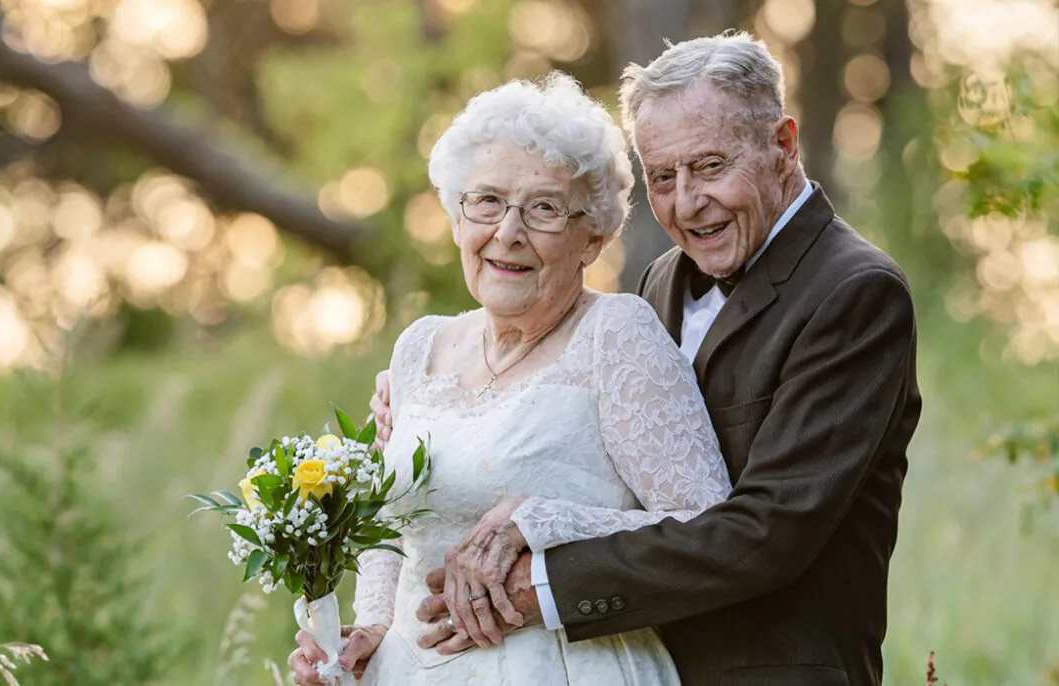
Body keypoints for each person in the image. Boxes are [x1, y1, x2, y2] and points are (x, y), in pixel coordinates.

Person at [374, 32, 922, 686]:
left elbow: (767, 532)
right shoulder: (664, 277)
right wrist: (442, 418)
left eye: (711, 166)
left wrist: (539, 582)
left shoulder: (854, 292)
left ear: (783, 145)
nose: (686, 203)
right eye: (663, 176)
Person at [287, 72, 732, 685]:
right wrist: (368, 633)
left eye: (544, 208)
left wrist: (544, 520)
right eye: (487, 201)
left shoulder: (617, 333)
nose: (508, 232)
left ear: (592, 238)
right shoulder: (418, 346)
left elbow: (706, 528)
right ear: (455, 216)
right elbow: (394, 530)